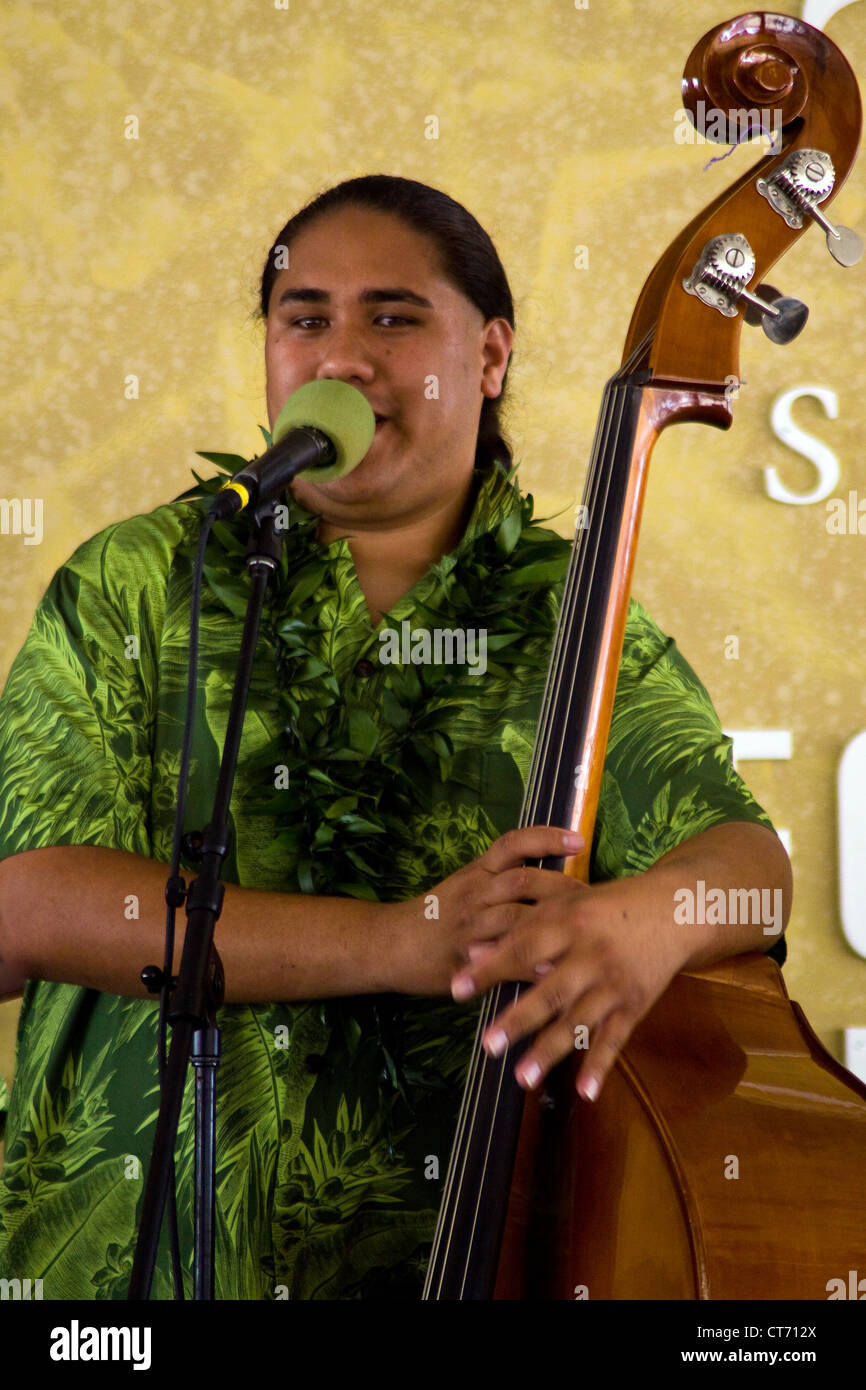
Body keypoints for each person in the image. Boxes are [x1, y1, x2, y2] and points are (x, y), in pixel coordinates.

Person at [0, 174, 790, 1300]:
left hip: (449, 1267)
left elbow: (749, 873)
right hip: (119, 1282)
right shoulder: (134, 581)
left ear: (491, 357)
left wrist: (644, 920)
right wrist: (401, 940)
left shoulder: (575, 613)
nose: (341, 358)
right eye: (303, 317)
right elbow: (23, 907)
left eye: (391, 316)